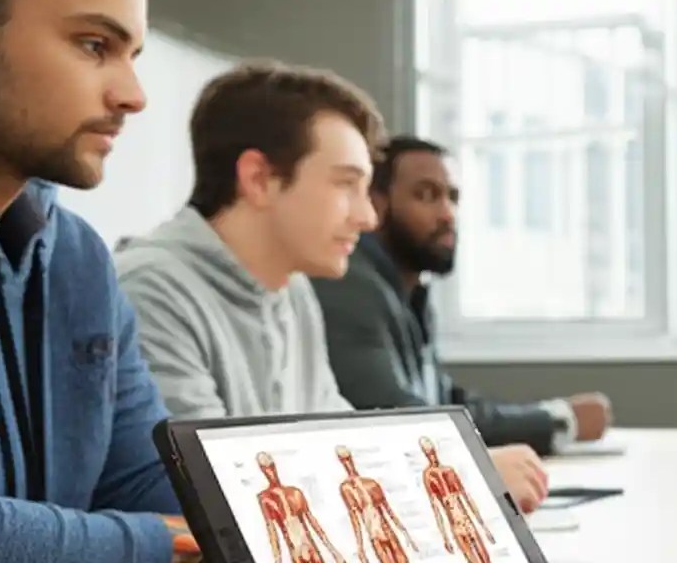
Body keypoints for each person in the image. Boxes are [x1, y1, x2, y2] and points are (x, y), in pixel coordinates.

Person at [115, 65, 549, 513]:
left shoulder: (293, 290)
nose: (368, 217)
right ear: (259, 179)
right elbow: (211, 492)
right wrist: (461, 475)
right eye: (346, 185)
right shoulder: (150, 292)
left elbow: (342, 445)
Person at [0, 0, 202, 563]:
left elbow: (147, 482)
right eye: (94, 46)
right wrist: (161, 544)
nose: (133, 95)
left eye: (133, 55)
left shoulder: (77, 257)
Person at [311, 136, 613, 457]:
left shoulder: (408, 294)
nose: (447, 214)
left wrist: (553, 415)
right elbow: (405, 422)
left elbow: (445, 401)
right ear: (377, 204)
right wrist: (562, 421)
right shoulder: (350, 286)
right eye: (426, 195)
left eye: (453, 197)